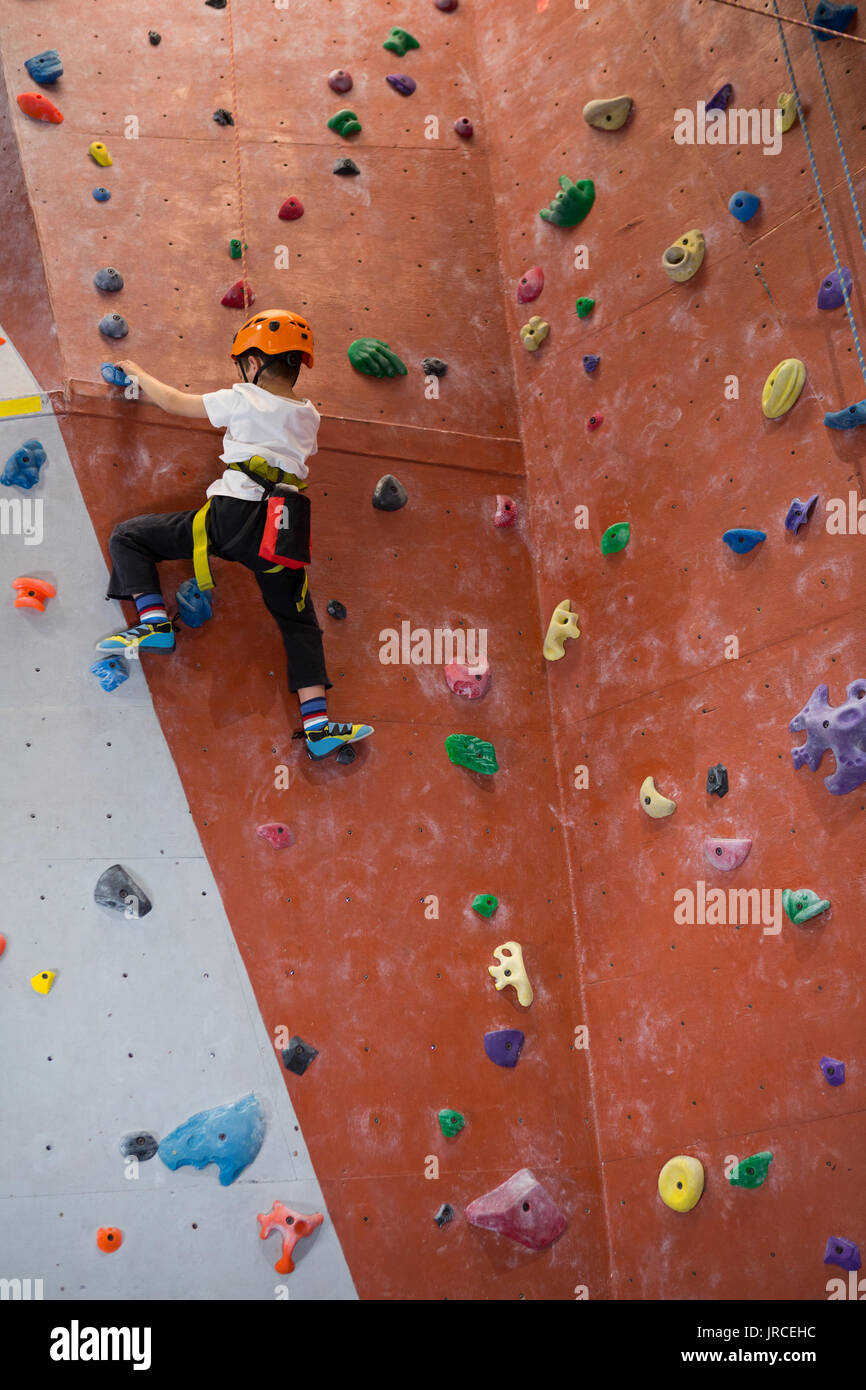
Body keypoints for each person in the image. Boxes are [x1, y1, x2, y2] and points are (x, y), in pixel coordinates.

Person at [95, 309, 373, 760]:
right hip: (283, 530)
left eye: (245, 361)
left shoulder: (243, 398)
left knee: (129, 536)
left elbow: (172, 401)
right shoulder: (310, 416)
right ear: (297, 364)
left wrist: (135, 371)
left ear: (256, 361)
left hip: (230, 518)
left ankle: (154, 623)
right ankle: (317, 725)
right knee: (299, 623)